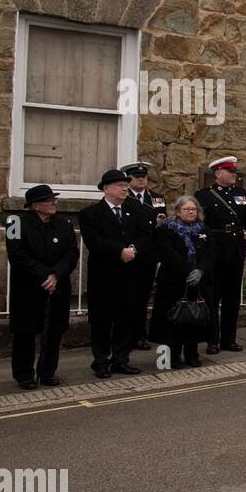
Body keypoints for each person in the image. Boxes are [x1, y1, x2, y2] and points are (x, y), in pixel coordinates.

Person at [6, 184, 78, 389]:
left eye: (54, 199)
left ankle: (47, 371)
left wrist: (56, 274)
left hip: (57, 286)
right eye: (49, 200)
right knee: (25, 332)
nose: (54, 203)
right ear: (35, 205)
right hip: (28, 287)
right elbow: (17, 255)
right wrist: (44, 275)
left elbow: (72, 254)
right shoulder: (16, 223)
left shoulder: (64, 224)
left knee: (54, 331)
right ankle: (24, 375)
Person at [79, 168, 148, 379]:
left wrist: (134, 249)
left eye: (126, 185)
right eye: (120, 185)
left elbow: (146, 234)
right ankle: (100, 361)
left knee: (125, 317)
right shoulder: (90, 213)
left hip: (130, 274)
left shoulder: (134, 210)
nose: (124, 189)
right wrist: (120, 251)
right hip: (105, 274)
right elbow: (94, 240)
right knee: (102, 320)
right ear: (106, 188)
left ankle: (121, 359)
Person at [195, 156, 246, 354]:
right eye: (230, 172)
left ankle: (229, 339)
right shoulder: (204, 196)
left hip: (235, 250)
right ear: (218, 173)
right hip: (216, 251)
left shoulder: (241, 194)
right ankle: (212, 340)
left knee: (232, 299)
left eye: (235, 172)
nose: (234, 175)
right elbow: (199, 225)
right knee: (213, 297)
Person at [149, 195, 212, 369]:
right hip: (173, 281)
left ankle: (192, 354)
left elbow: (210, 253)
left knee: (194, 320)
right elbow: (168, 253)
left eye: (193, 209)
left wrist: (200, 270)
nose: (191, 212)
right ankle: (173, 356)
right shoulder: (166, 229)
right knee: (174, 320)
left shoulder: (204, 229)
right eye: (186, 209)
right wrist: (189, 270)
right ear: (177, 211)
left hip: (197, 283)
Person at [121, 161, 166, 351]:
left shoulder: (156, 198)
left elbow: (161, 224)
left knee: (143, 297)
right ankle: (126, 335)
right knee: (128, 297)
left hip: (149, 254)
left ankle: (140, 335)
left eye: (144, 176)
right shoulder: (124, 198)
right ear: (129, 179)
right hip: (130, 253)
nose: (141, 179)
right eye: (136, 176)